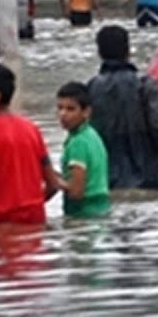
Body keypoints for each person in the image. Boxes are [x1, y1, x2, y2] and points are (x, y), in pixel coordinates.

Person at [0, 64, 65, 225]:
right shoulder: (32, 129)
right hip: (35, 219)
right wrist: (32, 206)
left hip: (1, 221)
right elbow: (53, 184)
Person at [87, 25, 158, 190]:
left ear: (99, 53)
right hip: (149, 178)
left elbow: (87, 135)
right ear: (128, 51)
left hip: (106, 181)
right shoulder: (146, 85)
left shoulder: (91, 88)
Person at [55, 82, 111, 218]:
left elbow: (76, 192)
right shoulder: (92, 135)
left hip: (84, 214)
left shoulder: (77, 142)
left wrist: (51, 179)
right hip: (102, 209)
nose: (63, 114)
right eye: (60, 108)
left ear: (86, 112)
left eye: (70, 109)